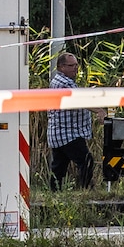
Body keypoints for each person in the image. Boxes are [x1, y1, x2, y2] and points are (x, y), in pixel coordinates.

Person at [47, 52, 93, 188]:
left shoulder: (62, 81)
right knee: (86, 161)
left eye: (76, 65)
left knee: (59, 167)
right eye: (71, 65)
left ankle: (54, 193)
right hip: (68, 134)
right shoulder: (64, 83)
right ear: (61, 67)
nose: (75, 68)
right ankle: (85, 190)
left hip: (59, 134)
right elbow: (81, 100)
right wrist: (99, 111)